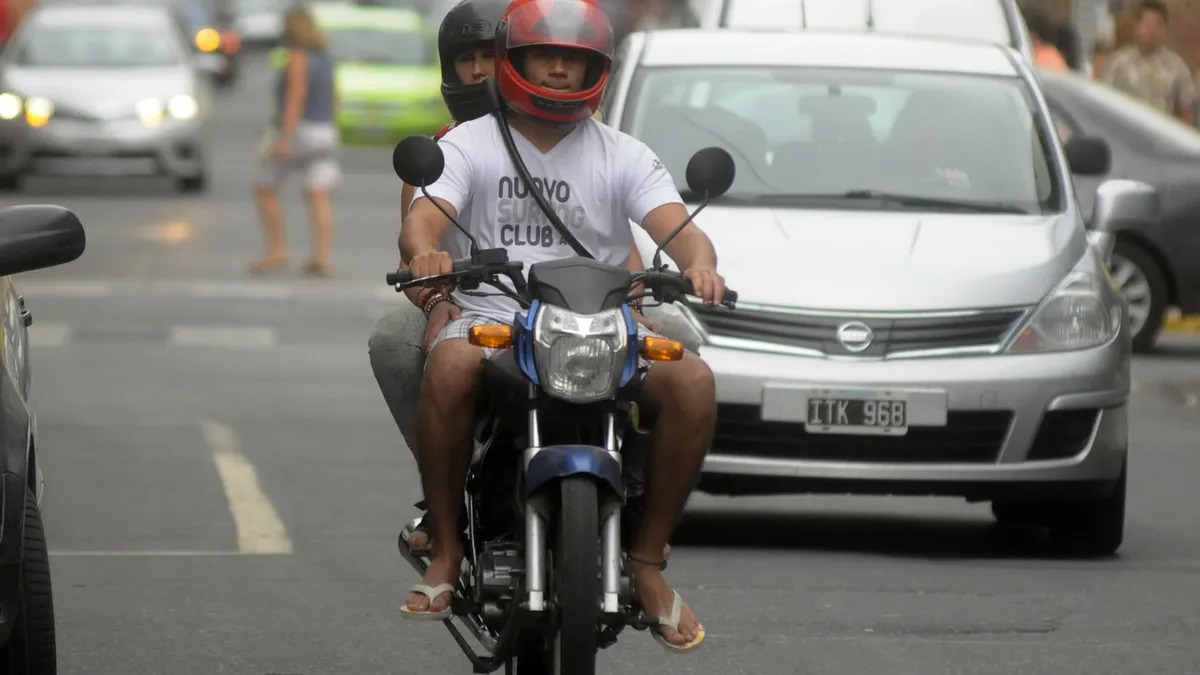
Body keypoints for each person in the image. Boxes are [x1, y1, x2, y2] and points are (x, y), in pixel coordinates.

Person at [397, 0, 722, 652]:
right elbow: (424, 219)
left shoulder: (624, 153)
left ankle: (650, 561)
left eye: (574, 61)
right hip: (497, 318)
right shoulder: (469, 142)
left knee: (694, 382)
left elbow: (678, 227)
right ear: (512, 61)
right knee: (452, 363)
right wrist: (427, 248)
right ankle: (448, 547)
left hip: (601, 324)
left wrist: (700, 264)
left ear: (595, 70)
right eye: (545, 56)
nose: (558, 71)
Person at [369, 0, 664, 553]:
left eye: (490, 56)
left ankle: (640, 497)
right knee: (395, 342)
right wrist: (436, 301)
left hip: (581, 306)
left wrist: (640, 294)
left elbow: (613, 237)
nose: (480, 71)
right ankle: (445, 494)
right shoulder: (447, 147)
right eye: (467, 60)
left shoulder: (592, 138)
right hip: (478, 304)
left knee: (686, 347)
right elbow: (416, 243)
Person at [249, 6, 340, 276]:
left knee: (265, 185)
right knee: (318, 193)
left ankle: (277, 249)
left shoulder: (297, 58)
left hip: (300, 131)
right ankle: (322, 256)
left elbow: (295, 98)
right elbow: (334, 97)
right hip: (325, 130)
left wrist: (284, 137)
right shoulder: (325, 59)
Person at [1102, 0, 1196, 125]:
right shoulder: (1119, 62)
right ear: (1137, 26)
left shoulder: (1177, 66)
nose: (1151, 31)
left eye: (1157, 26)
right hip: (1125, 130)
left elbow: (1186, 110)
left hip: (1162, 133)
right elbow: (1104, 101)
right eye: (1147, 25)